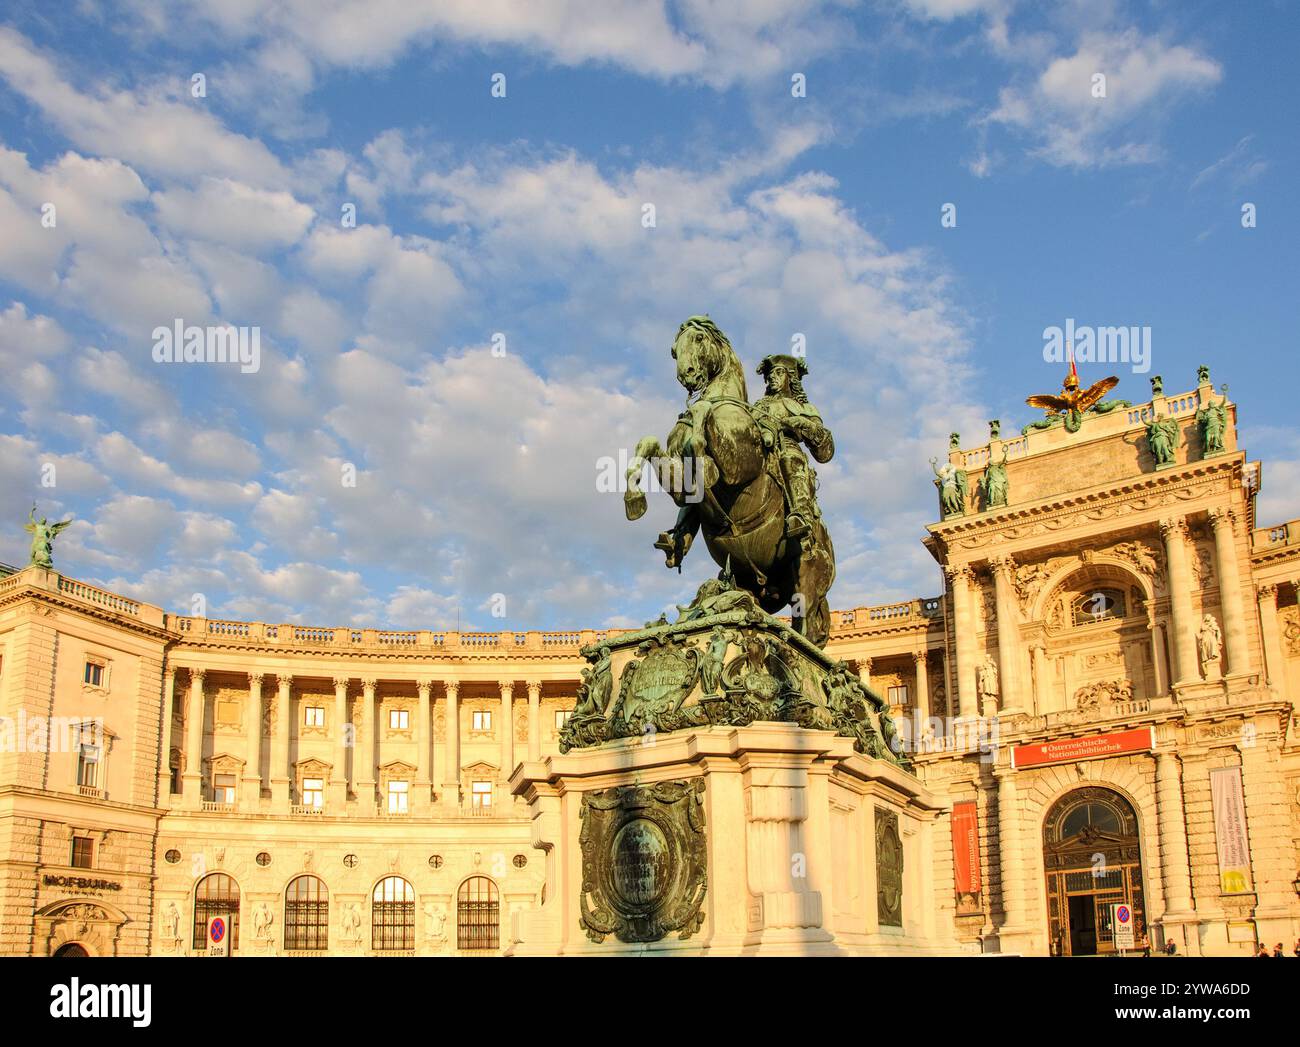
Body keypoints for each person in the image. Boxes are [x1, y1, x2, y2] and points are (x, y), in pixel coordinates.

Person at [751, 355, 834, 542]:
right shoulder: (756, 407)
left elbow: (825, 451)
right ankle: (683, 532)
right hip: (757, 451)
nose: (772, 377)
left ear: (791, 377)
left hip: (786, 448)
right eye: (770, 374)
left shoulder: (805, 407)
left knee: (789, 458)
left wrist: (802, 423)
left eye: (778, 372)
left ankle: (801, 516)